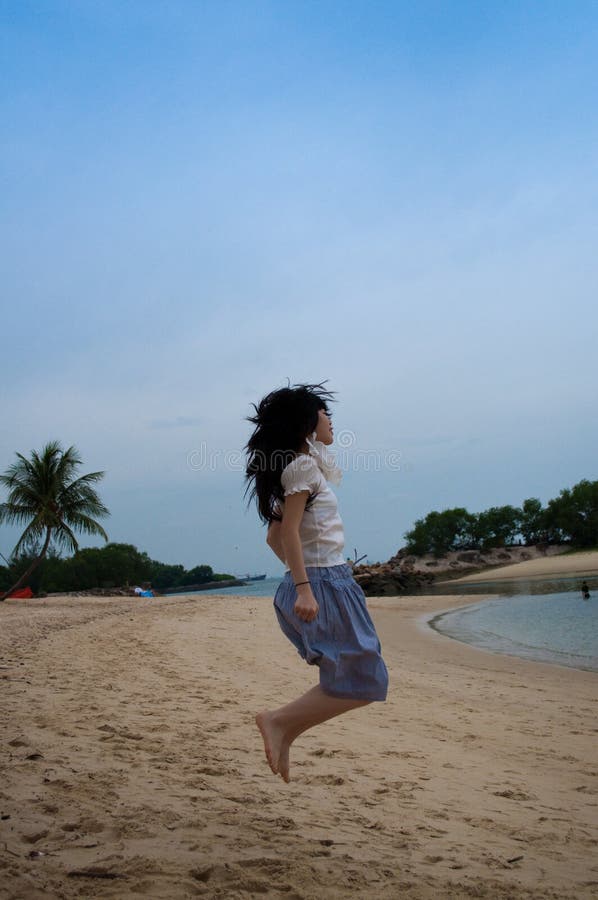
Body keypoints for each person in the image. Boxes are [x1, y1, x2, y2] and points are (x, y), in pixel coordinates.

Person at [244, 382, 388, 783]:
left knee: (357, 676)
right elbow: (288, 532)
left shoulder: (299, 467)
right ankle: (277, 722)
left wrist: (298, 578)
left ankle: (286, 731)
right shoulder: (302, 467)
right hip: (324, 583)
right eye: (325, 412)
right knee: (365, 679)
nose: (331, 420)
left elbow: (274, 537)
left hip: (324, 580)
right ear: (307, 422)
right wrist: (305, 587)